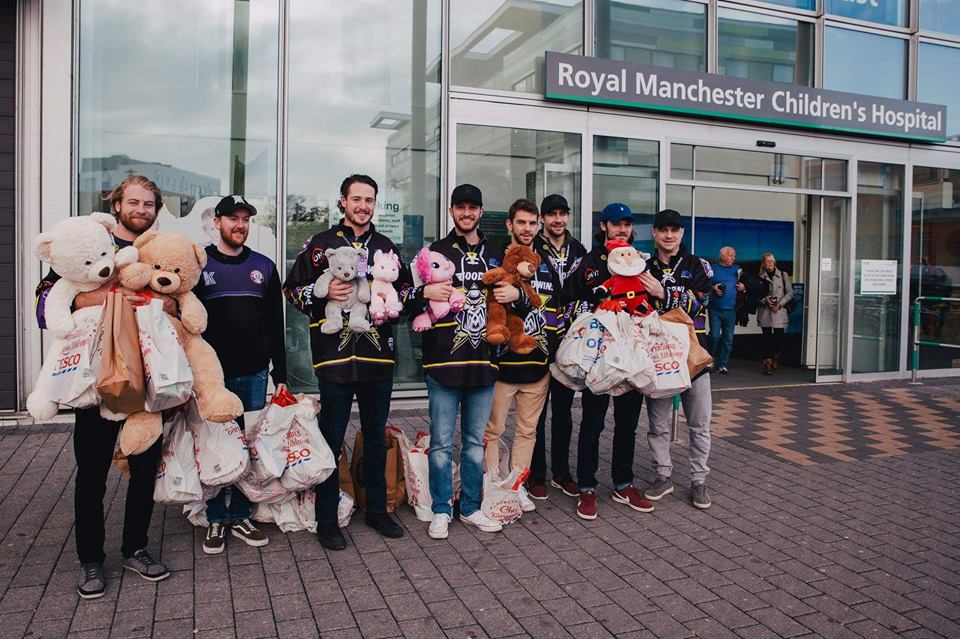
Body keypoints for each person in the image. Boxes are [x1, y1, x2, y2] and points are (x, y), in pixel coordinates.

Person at [35, 175, 172, 599]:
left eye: (148, 204)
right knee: (92, 473)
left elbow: (181, 297)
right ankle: (90, 560)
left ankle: (136, 548)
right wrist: (98, 299)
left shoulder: (158, 249)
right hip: (93, 380)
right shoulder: (89, 240)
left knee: (145, 470)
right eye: (133, 202)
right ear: (117, 205)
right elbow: (46, 303)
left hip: (147, 380)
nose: (141, 210)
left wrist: (160, 302)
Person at [283, 174, 412, 550]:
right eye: (356, 199)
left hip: (377, 360)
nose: (363, 206)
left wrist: (390, 303)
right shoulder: (320, 244)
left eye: (369, 200)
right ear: (343, 201)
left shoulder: (386, 246)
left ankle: (377, 511)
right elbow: (292, 288)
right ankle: (327, 519)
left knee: (374, 437)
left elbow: (403, 290)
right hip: (334, 360)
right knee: (330, 438)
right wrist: (323, 294)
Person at [416, 184, 530, 539]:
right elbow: (408, 302)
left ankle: (469, 507)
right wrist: (422, 293)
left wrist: (517, 294)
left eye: (473, 207)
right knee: (439, 442)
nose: (466, 212)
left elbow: (526, 302)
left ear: (481, 212)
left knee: (474, 442)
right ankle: (440, 509)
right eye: (460, 207)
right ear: (451, 211)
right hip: (443, 364)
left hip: (484, 365)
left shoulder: (499, 252)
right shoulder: (434, 251)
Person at [194, 195, 287, 554]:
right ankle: (216, 517)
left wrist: (280, 372)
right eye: (232, 218)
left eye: (245, 219)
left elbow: (275, 326)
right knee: (217, 444)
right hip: (212, 377)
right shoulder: (200, 264)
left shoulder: (263, 267)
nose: (240, 225)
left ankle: (242, 513)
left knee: (246, 443)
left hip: (253, 372)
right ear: (216, 222)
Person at [562, 203, 655, 520]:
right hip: (600, 357)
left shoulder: (639, 261)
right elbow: (570, 294)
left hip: (631, 354)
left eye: (627, 224)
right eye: (616, 224)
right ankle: (587, 488)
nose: (622, 229)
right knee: (592, 424)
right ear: (604, 226)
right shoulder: (590, 260)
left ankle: (623, 483)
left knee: (628, 426)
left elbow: (651, 302)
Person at [482, 199, 553, 514]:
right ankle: (493, 483)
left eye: (532, 223)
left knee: (527, 431)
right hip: (502, 366)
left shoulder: (546, 262)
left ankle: (516, 485)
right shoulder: (497, 259)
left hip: (537, 367)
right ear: (509, 225)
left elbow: (551, 305)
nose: (527, 229)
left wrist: (523, 296)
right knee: (492, 430)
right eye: (521, 222)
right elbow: (490, 302)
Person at [641, 209, 714, 509]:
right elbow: (637, 305)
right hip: (658, 360)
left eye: (675, 230)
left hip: (694, 359)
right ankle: (663, 474)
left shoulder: (698, 265)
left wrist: (663, 293)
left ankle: (699, 480)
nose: (669, 235)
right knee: (657, 424)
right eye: (663, 230)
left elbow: (700, 303)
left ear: (681, 233)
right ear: (655, 233)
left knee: (699, 423)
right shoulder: (642, 266)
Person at [528, 194, 586, 500]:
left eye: (563, 213)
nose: (558, 219)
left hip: (570, 345)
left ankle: (561, 473)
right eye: (551, 214)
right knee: (535, 412)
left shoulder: (579, 251)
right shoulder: (531, 249)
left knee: (563, 413)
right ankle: (536, 475)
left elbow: (588, 291)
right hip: (538, 341)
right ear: (543, 219)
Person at [709, 246, 745, 375]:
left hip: (731, 309)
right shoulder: (713, 269)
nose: (733, 258)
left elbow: (744, 283)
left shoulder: (737, 269)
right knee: (714, 336)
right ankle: (709, 361)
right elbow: (705, 284)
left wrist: (743, 287)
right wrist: (714, 288)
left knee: (728, 338)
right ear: (722, 256)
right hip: (715, 308)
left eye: (734, 255)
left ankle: (722, 365)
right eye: (731, 255)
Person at [756, 252, 794, 375]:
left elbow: (790, 292)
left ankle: (775, 358)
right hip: (765, 312)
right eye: (768, 261)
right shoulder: (759, 277)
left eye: (772, 261)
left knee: (778, 338)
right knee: (766, 339)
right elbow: (754, 296)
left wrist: (780, 304)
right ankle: (767, 363)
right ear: (763, 263)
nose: (770, 263)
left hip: (779, 311)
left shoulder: (783, 275)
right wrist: (764, 300)